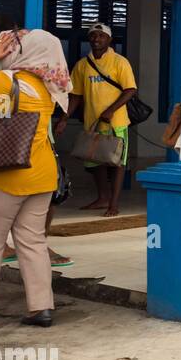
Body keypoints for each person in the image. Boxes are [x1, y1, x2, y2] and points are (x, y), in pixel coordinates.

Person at [0, 29, 70, 328]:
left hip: (5, 177)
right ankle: (41, 308)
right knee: (33, 242)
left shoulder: (4, 82)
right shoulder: (51, 87)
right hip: (42, 176)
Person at [59, 22, 137, 217]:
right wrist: (64, 118)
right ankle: (102, 198)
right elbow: (76, 95)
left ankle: (114, 204)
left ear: (109, 40)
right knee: (95, 162)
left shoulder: (120, 62)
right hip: (92, 123)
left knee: (117, 162)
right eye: (93, 35)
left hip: (116, 123)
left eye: (101, 36)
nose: (96, 39)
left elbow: (130, 89)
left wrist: (111, 110)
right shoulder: (82, 65)